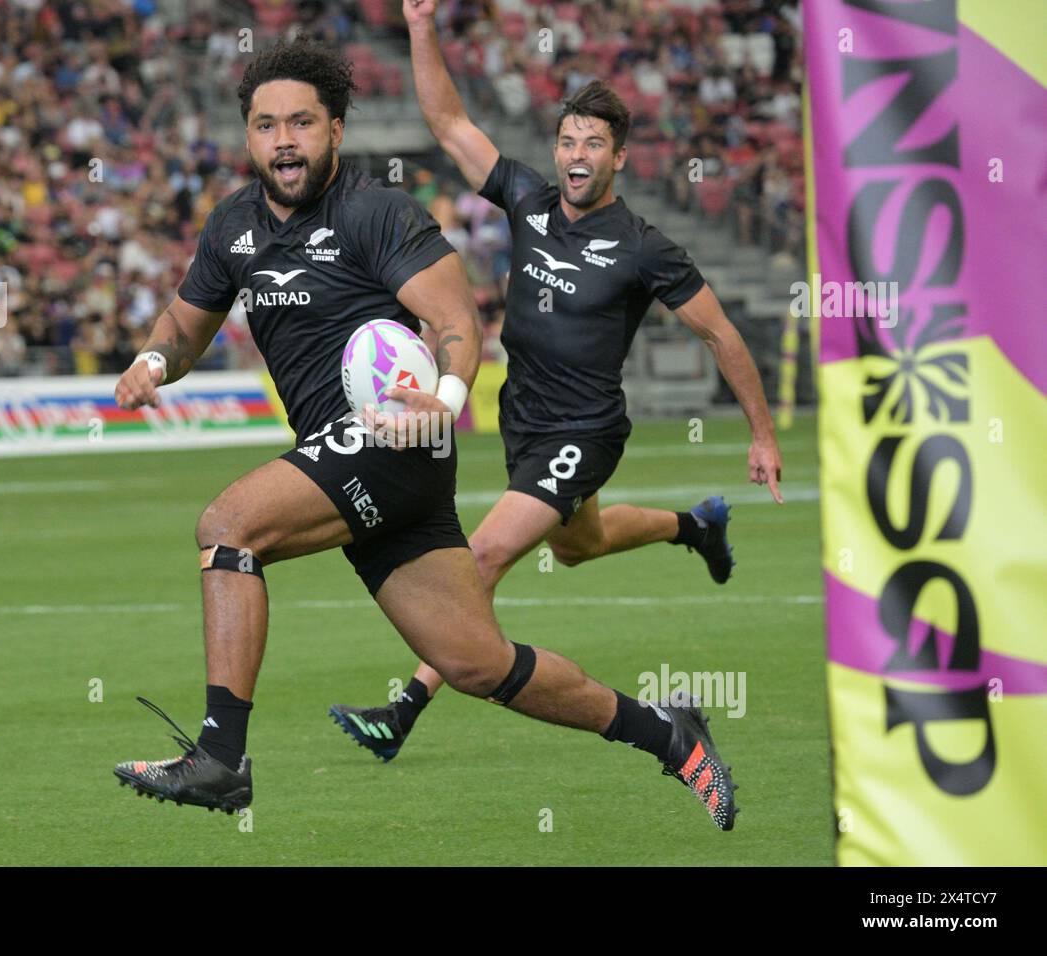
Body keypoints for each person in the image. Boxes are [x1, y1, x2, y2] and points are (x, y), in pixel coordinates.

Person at [110, 36, 738, 831]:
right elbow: (185, 327)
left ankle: (221, 758)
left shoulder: (379, 212)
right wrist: (153, 363)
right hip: (357, 463)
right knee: (476, 663)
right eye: (267, 126)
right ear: (248, 138)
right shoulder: (233, 227)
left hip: (396, 439)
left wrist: (443, 398)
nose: (284, 142)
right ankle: (670, 734)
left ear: (336, 129)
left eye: (302, 123)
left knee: (228, 527)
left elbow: (454, 320)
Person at [327, 0, 782, 770]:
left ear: (619, 158)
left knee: (480, 559)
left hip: (585, 434)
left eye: (593, 142)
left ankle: (400, 712)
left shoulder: (645, 247)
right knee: (580, 546)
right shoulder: (531, 203)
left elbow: (721, 335)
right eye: (568, 138)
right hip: (525, 425)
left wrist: (763, 435)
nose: (576, 152)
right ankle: (693, 526)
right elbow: (450, 126)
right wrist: (420, 27)